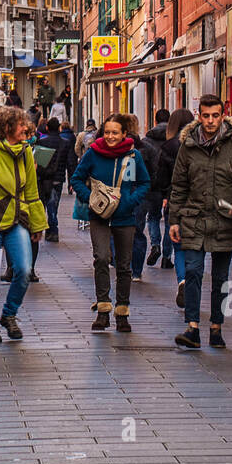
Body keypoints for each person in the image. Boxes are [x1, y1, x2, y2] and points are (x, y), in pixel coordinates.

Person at [169, 95, 232, 350]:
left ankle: (216, 327)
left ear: (223, 114)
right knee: (194, 271)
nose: (210, 121)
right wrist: (174, 219)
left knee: (220, 277)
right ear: (199, 115)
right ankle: (192, 327)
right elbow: (179, 185)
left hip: (224, 219)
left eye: (215, 116)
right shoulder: (188, 145)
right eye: (205, 116)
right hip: (193, 217)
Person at [0, 107, 48, 342]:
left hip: (17, 220)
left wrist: (37, 224)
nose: (27, 128)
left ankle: (9, 314)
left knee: (24, 270)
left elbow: (32, 192)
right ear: (7, 128)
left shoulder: (25, 153)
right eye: (22, 124)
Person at [71, 112, 151, 332]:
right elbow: (76, 178)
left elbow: (143, 182)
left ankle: (122, 311)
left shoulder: (132, 156)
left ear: (124, 133)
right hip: (99, 216)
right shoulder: (93, 153)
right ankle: (103, 309)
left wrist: (130, 202)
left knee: (124, 265)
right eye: (107, 132)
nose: (110, 136)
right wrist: (90, 198)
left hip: (124, 217)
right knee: (102, 258)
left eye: (115, 132)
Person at [159, 109, 195, 304]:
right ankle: (189, 281)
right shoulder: (199, 144)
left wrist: (165, 194)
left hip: (173, 199)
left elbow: (161, 177)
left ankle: (182, 281)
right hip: (197, 201)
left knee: (179, 246)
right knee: (195, 249)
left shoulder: (168, 146)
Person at [124, 113, 160, 281]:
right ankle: (136, 271)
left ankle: (123, 267)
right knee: (137, 231)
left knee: (119, 230)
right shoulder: (147, 147)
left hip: (122, 194)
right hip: (142, 195)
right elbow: (155, 172)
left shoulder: (116, 147)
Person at [33, 117, 69, 260]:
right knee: (54, 205)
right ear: (59, 128)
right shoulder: (65, 143)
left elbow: (39, 163)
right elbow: (70, 161)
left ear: (47, 128)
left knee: (45, 203)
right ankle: (52, 230)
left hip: (44, 179)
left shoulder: (42, 142)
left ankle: (47, 228)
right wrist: (71, 178)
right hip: (58, 179)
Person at [142, 109, 170, 266]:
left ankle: (155, 245)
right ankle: (167, 257)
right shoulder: (175, 140)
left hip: (152, 186)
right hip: (169, 187)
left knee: (152, 217)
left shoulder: (146, 140)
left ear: (155, 121)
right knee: (169, 221)